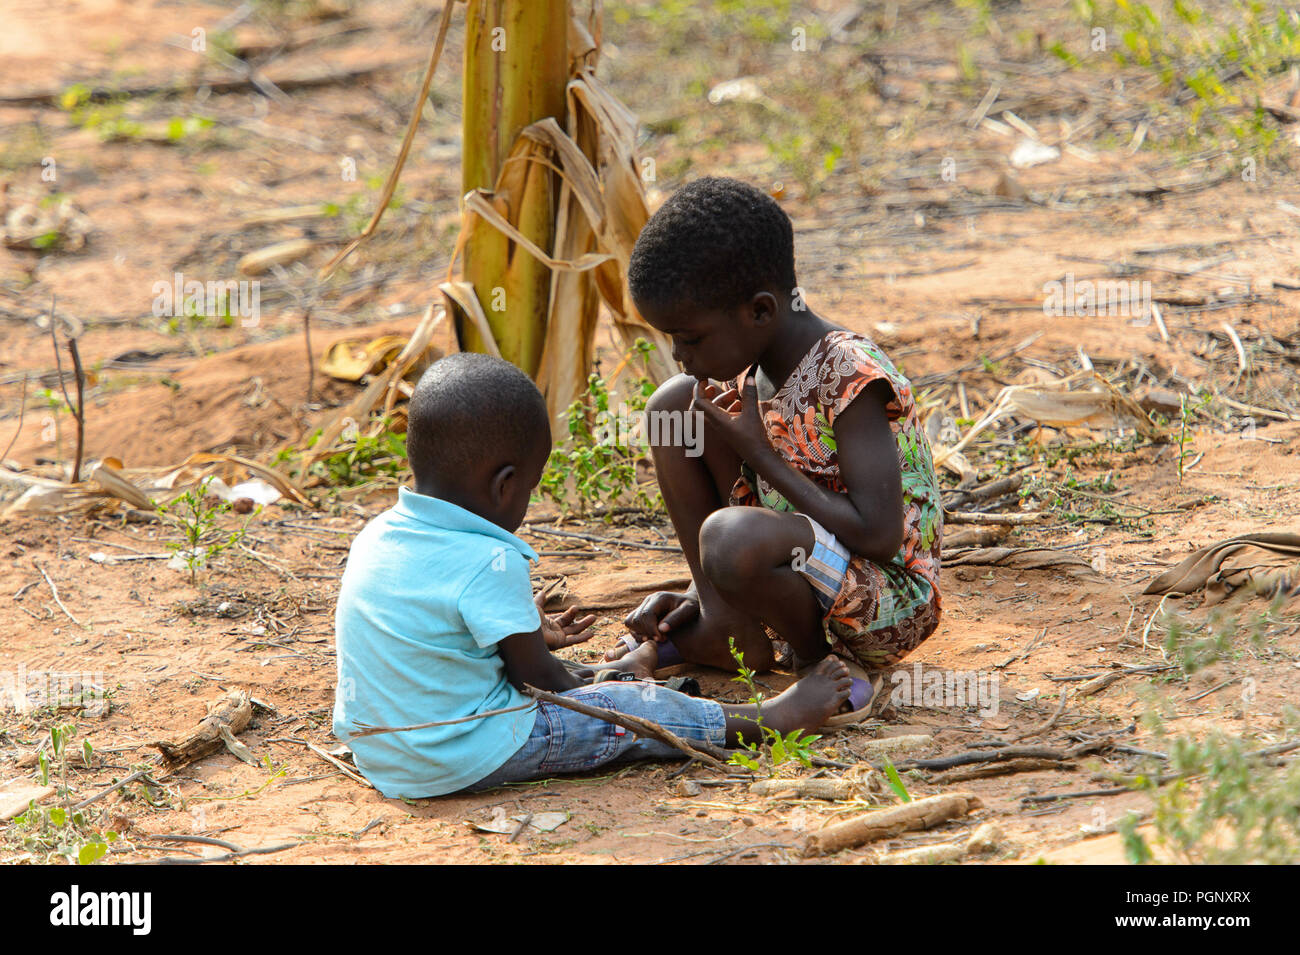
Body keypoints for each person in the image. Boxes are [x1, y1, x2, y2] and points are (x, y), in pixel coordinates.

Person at [332, 352, 853, 798]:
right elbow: (541, 683)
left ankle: (634, 667)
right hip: (461, 757)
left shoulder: (378, 536)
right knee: (622, 705)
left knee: (608, 682)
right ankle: (766, 720)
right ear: (505, 485)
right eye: (533, 487)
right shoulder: (488, 558)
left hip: (386, 757)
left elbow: (436, 645)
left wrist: (528, 635)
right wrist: (607, 680)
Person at [612, 176, 943, 690]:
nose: (679, 355)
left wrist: (762, 456)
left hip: (884, 601)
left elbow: (878, 537)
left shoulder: (850, 376)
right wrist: (706, 591)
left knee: (729, 536)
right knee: (673, 407)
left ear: (761, 310)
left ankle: (817, 662)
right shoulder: (753, 367)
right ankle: (727, 621)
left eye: (690, 338)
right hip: (802, 570)